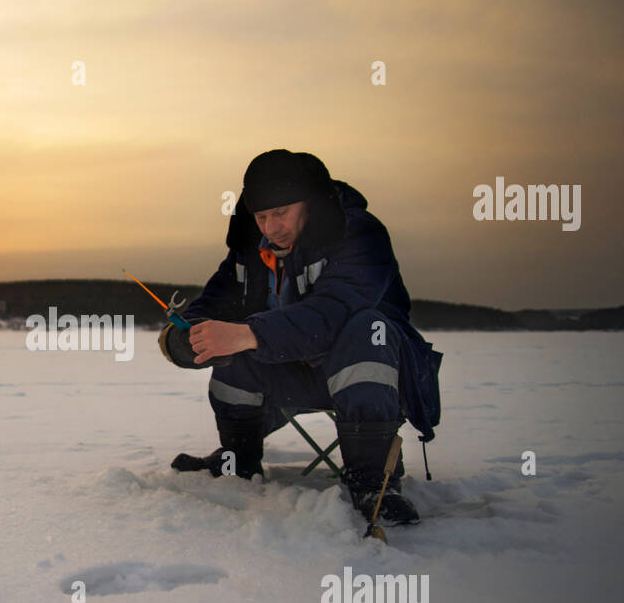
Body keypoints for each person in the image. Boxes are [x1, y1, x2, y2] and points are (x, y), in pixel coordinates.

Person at [158, 149, 442, 525]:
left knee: (366, 329)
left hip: (374, 379)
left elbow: (334, 311)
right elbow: (215, 302)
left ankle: (373, 481)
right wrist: (183, 339)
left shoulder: (360, 233)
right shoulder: (250, 250)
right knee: (235, 341)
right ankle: (237, 461)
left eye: (281, 213)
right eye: (261, 217)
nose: (272, 227)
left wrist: (247, 334)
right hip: (291, 372)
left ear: (309, 203)